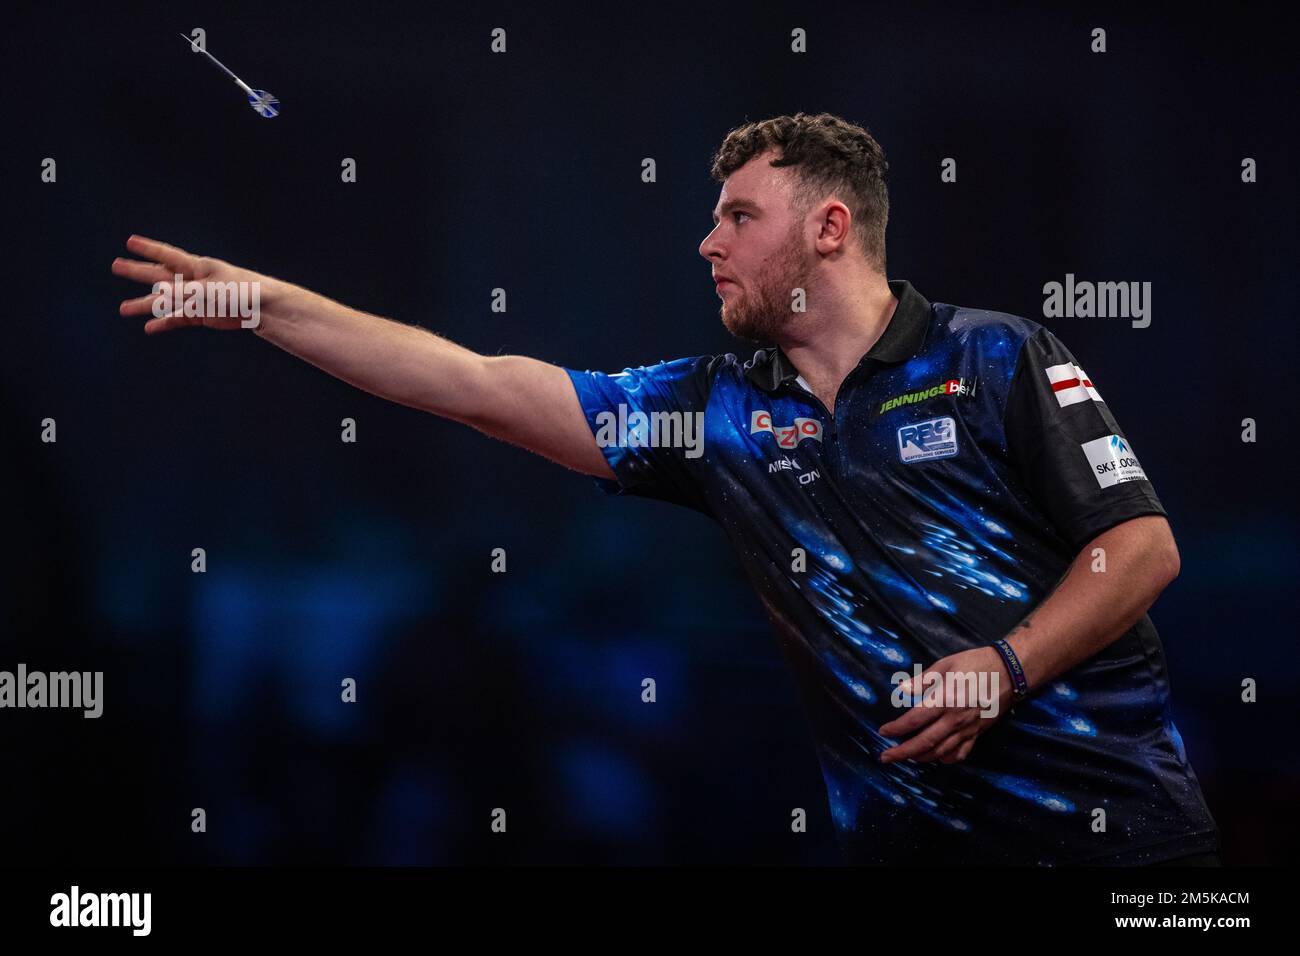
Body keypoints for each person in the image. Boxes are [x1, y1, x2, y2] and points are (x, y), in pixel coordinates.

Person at [111, 111, 1219, 866]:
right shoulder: (714, 411)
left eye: (740, 215)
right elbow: (478, 384)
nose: (707, 240)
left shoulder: (996, 356)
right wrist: (264, 305)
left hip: (1121, 841)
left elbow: (1140, 546)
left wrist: (1006, 666)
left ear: (830, 228)